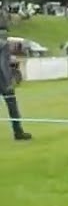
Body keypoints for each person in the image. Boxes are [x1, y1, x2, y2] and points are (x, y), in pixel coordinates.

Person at [0, 11, 32, 141]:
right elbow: (3, 64)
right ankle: (18, 131)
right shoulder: (4, 44)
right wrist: (8, 82)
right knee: (12, 106)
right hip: (2, 80)